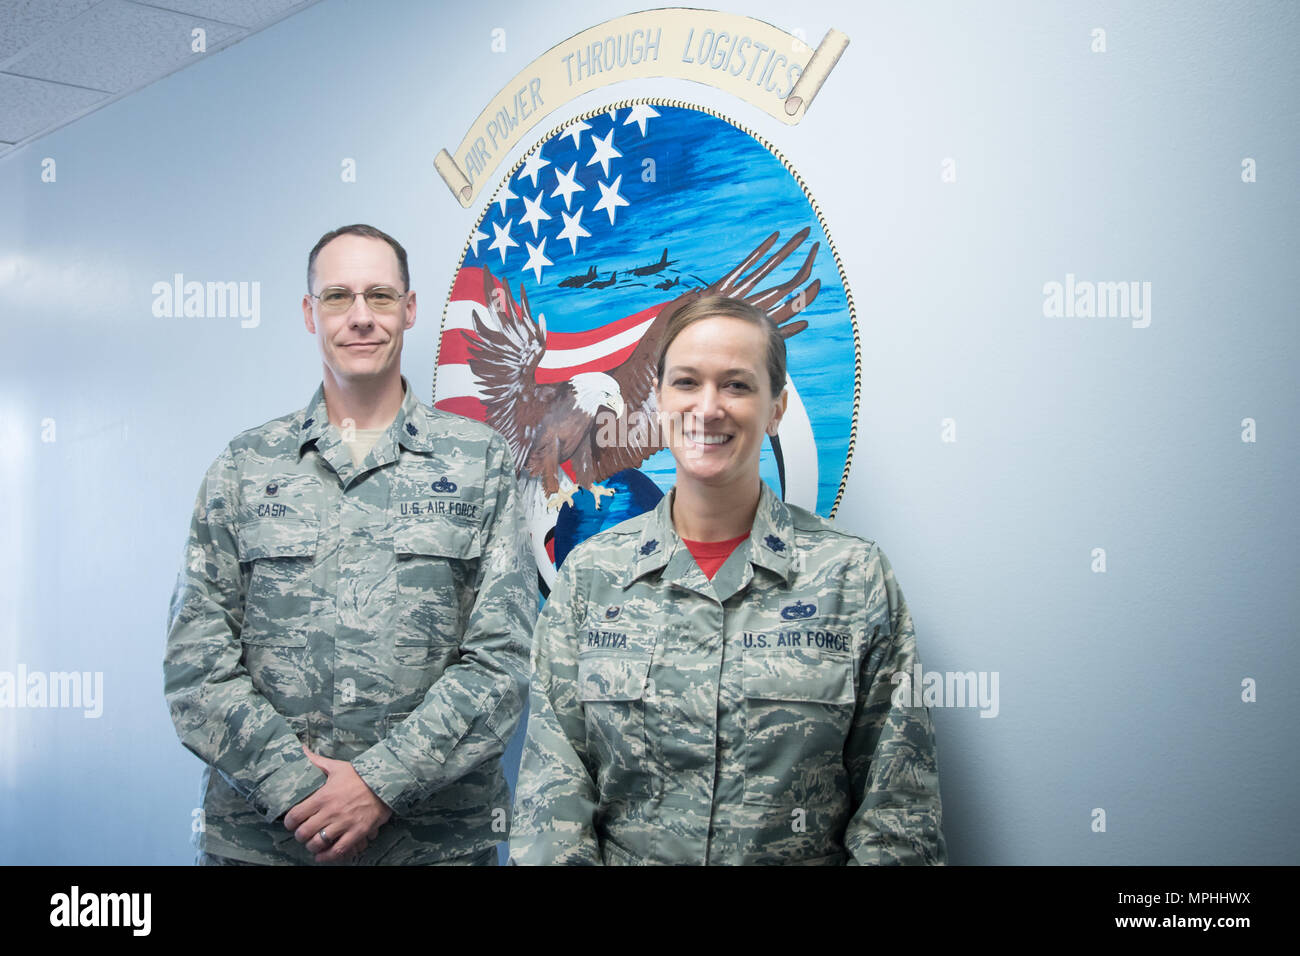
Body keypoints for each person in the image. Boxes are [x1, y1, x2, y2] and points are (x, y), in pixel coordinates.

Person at [508, 294, 947, 865]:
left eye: (737, 385)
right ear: (661, 401)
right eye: (687, 383)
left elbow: (899, 818)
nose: (708, 407)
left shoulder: (854, 580)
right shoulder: (590, 581)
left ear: (776, 409)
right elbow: (552, 803)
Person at [164, 224, 536, 865]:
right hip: (270, 844)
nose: (360, 317)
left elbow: (503, 662)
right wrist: (303, 792)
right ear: (310, 314)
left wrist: (378, 785)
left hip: (432, 846)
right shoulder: (244, 467)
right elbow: (197, 664)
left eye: (380, 296)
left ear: (410, 308)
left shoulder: (481, 463)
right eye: (338, 297)